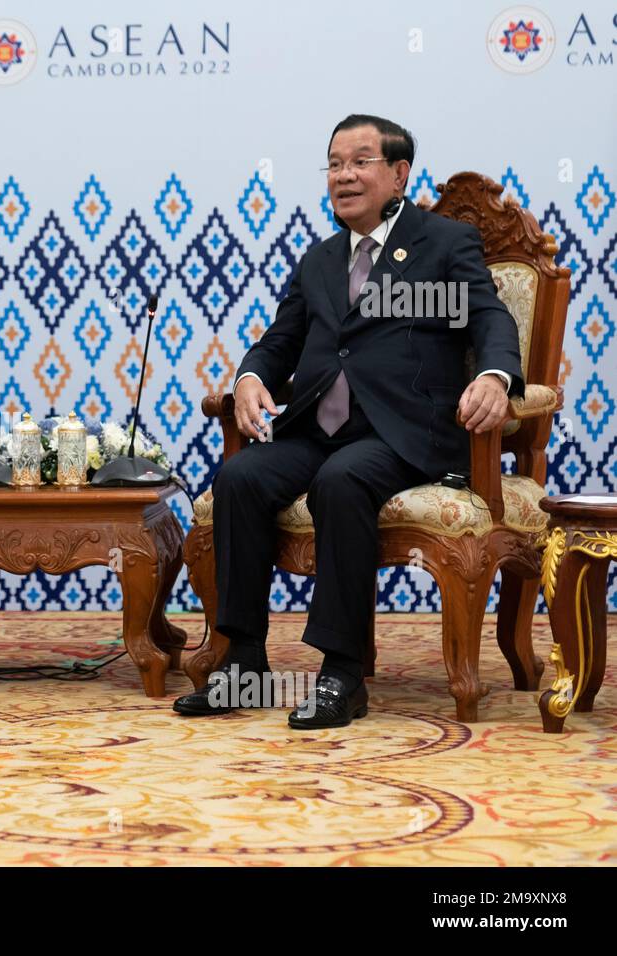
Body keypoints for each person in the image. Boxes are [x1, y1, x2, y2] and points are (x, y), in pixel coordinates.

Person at [172, 114, 522, 728]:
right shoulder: (320, 260)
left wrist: (495, 377)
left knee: (342, 479)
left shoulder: (444, 242)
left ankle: (341, 672)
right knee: (240, 479)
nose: (344, 175)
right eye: (334, 164)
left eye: (360, 162)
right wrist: (250, 379)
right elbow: (279, 342)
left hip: (404, 433)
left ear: (398, 173)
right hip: (316, 426)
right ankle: (243, 663)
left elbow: (491, 318)